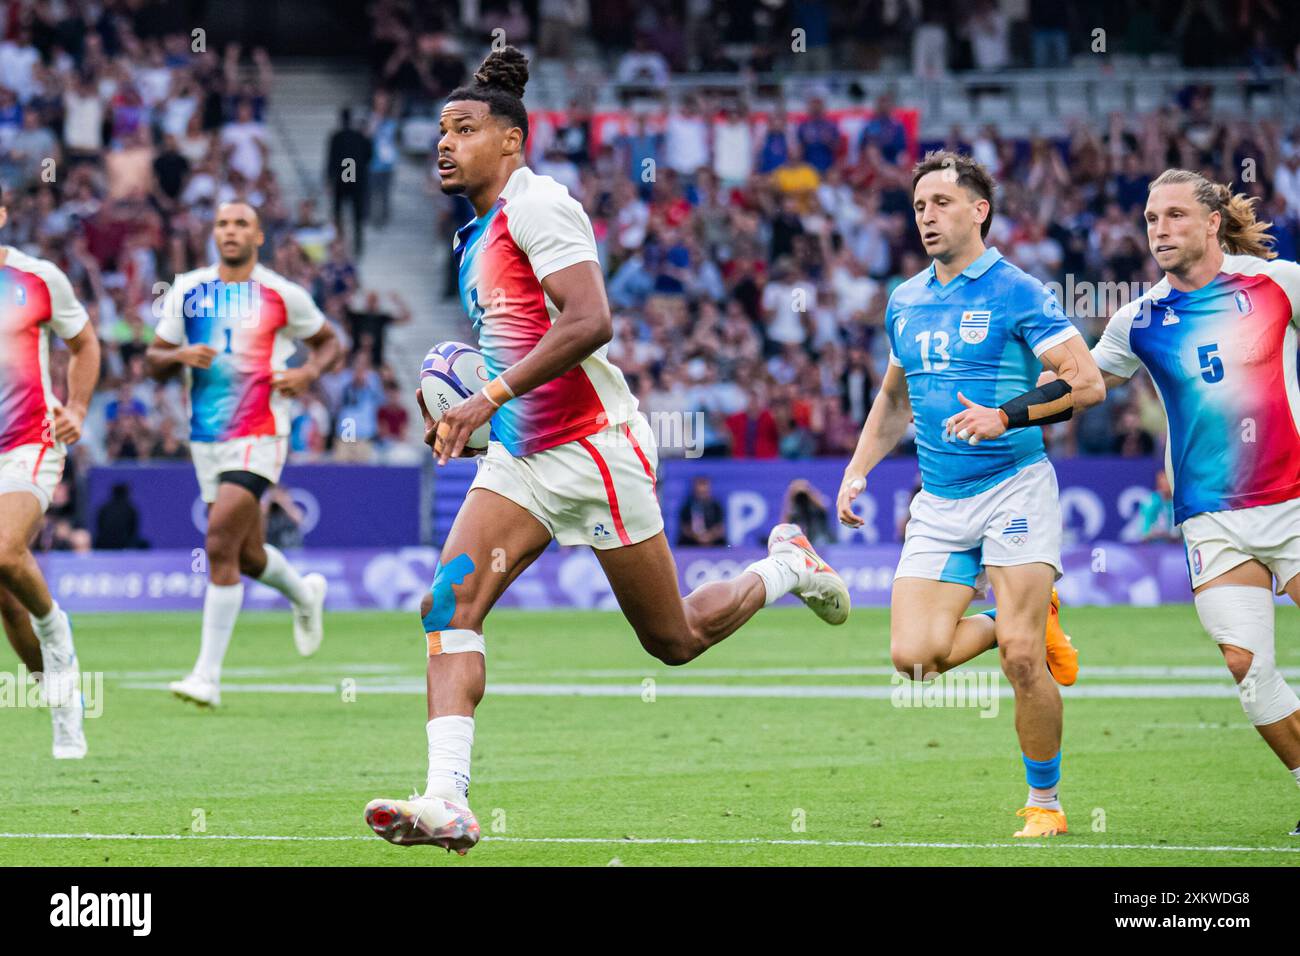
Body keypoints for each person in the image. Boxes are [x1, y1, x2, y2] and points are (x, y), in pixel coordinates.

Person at [363, 47, 850, 855]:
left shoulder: (541, 205)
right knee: (446, 606)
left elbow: (590, 321)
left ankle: (788, 566)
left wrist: (486, 395)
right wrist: (460, 411)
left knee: (674, 642)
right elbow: (512, 343)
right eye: (440, 131)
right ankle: (447, 800)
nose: (443, 144)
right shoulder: (471, 235)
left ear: (512, 140)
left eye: (464, 129)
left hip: (594, 451)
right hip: (519, 456)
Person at [836, 151, 1105, 838]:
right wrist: (858, 467)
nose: (927, 216)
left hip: (1013, 484)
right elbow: (893, 399)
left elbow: (1086, 383)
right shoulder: (906, 298)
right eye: (920, 205)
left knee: (1021, 659)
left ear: (979, 210)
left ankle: (1045, 804)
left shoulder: (1017, 290)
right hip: (940, 497)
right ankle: (1027, 617)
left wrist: (1004, 415)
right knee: (915, 660)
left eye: (942, 203)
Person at [1089, 168, 1300, 835]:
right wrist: (1009, 407)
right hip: (1211, 514)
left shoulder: (1278, 283)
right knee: (1245, 663)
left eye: (1176, 215)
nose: (1161, 229)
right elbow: (1082, 382)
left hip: (1294, 498)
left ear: (1212, 222)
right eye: (1152, 219)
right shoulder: (1139, 319)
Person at [146, 200, 339, 708]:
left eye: (241, 225)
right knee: (246, 554)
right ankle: (304, 594)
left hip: (261, 432)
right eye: (222, 224)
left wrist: (307, 374)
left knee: (217, 545)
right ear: (214, 235)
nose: (230, 232)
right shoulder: (187, 289)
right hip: (206, 438)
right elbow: (152, 361)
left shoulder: (282, 293)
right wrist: (178, 355)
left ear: (258, 237)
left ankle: (206, 676)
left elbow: (329, 343)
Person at [0, 206, 100, 758]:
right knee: (5, 598)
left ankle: (56, 629)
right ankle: (62, 704)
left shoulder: (37, 278)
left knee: (3, 551)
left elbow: (85, 344)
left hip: (28, 443)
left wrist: (79, 408)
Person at [677, 475, 725, 546]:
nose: (702, 492)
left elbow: (720, 527)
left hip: (712, 539)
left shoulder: (716, 506)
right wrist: (697, 537)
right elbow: (684, 527)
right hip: (692, 539)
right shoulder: (687, 506)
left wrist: (709, 536)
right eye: (699, 491)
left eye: (704, 491)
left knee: (723, 542)